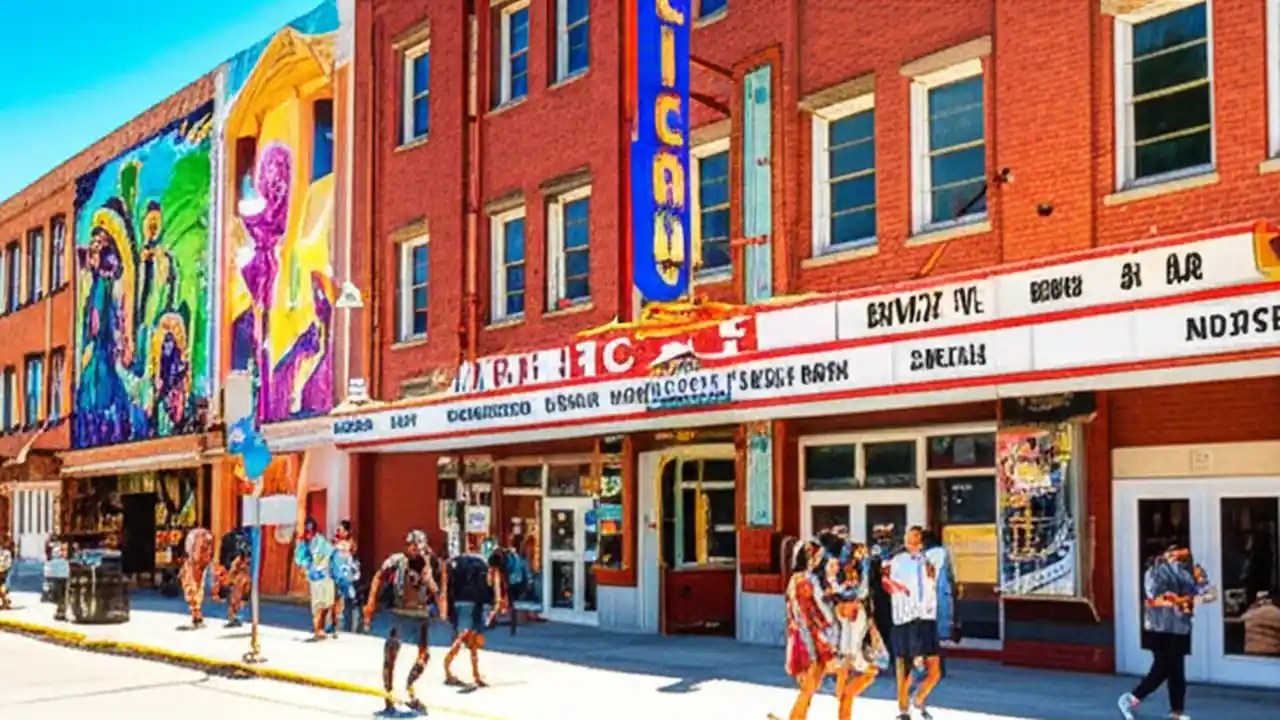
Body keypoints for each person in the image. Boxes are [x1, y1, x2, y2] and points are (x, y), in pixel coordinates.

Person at [1118, 546, 1214, 720]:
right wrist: (1184, 599)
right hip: (1159, 626)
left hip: (1180, 626)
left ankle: (1176, 711)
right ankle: (1132, 698)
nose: (1181, 558)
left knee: (1176, 669)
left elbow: (1204, 592)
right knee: (1163, 666)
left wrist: (1201, 585)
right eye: (1177, 553)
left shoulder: (1188, 571)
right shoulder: (1154, 571)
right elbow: (1156, 595)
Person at [363, 529, 442, 714]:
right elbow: (379, 576)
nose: (414, 548)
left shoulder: (428, 564)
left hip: (420, 615)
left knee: (424, 656)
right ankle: (389, 697)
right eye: (411, 544)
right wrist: (370, 603)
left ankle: (409, 686)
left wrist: (441, 610)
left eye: (417, 545)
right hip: (400, 612)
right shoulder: (397, 561)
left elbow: (435, 588)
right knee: (390, 653)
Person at [883, 526, 947, 720]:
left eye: (916, 537)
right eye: (908, 537)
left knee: (935, 670)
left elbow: (939, 560)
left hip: (926, 617)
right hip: (905, 618)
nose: (911, 540)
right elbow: (886, 582)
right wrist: (898, 588)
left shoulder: (931, 558)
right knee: (906, 667)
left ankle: (919, 698)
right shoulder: (898, 561)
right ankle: (903, 710)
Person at [774, 539, 834, 720]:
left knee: (811, 684)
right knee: (810, 684)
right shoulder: (806, 580)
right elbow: (815, 608)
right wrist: (826, 624)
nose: (819, 560)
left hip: (800, 632)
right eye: (817, 557)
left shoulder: (795, 579)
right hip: (808, 633)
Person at [443, 549, 507, 687]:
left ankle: (475, 675)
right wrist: (493, 613)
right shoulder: (490, 570)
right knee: (463, 639)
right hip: (472, 605)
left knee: (471, 643)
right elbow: (497, 596)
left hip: (459, 600)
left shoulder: (476, 562)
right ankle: (447, 670)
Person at [293, 517, 339, 640]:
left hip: (327, 577)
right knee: (318, 605)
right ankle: (318, 630)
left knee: (327, 604)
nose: (309, 533)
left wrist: (336, 574)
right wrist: (307, 566)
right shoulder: (303, 544)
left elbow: (332, 555)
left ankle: (324, 627)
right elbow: (299, 559)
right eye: (307, 530)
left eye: (311, 530)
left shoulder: (322, 542)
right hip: (315, 579)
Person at [214, 527, 252, 628]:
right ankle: (234, 615)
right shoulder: (246, 540)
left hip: (231, 567)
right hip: (238, 568)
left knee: (235, 592)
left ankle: (233, 615)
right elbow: (247, 556)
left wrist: (224, 567)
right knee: (238, 592)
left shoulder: (226, 538)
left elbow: (222, 556)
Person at [179, 528, 214, 629]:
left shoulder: (200, 541)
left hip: (198, 567)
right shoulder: (190, 565)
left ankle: (197, 616)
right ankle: (196, 616)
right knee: (193, 590)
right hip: (194, 567)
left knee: (197, 590)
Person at [332, 520, 361, 633]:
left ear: (347, 532)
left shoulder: (350, 544)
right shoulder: (336, 543)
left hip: (348, 577)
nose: (338, 532)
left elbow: (348, 554)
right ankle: (337, 624)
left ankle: (353, 627)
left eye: (341, 530)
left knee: (351, 601)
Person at [44, 539, 71, 621]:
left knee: (62, 594)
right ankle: (61, 611)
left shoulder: (58, 548)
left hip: (62, 574)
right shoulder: (55, 547)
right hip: (58, 574)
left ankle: (61, 611)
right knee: (60, 594)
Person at [0, 534, 13, 610]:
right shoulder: (4, 551)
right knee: (2, 587)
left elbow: (8, 564)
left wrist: (4, 570)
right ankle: (6, 601)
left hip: (3, 572)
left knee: (2, 587)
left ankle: (6, 601)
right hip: (2, 571)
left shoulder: (7, 552)